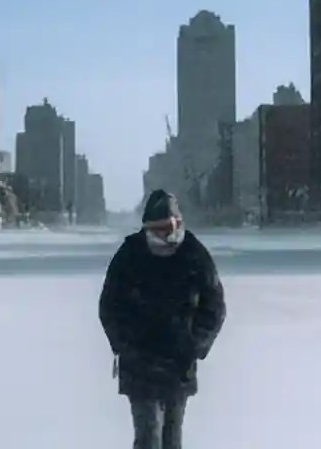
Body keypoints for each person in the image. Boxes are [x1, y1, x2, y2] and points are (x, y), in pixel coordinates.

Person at [99, 189, 227, 449]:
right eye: (161, 229)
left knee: (172, 437)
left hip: (179, 363)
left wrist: (195, 343)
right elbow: (110, 307)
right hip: (140, 365)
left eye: (174, 226)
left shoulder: (194, 254)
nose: (169, 234)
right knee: (148, 437)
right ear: (148, 229)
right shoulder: (129, 255)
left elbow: (214, 305)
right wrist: (127, 344)